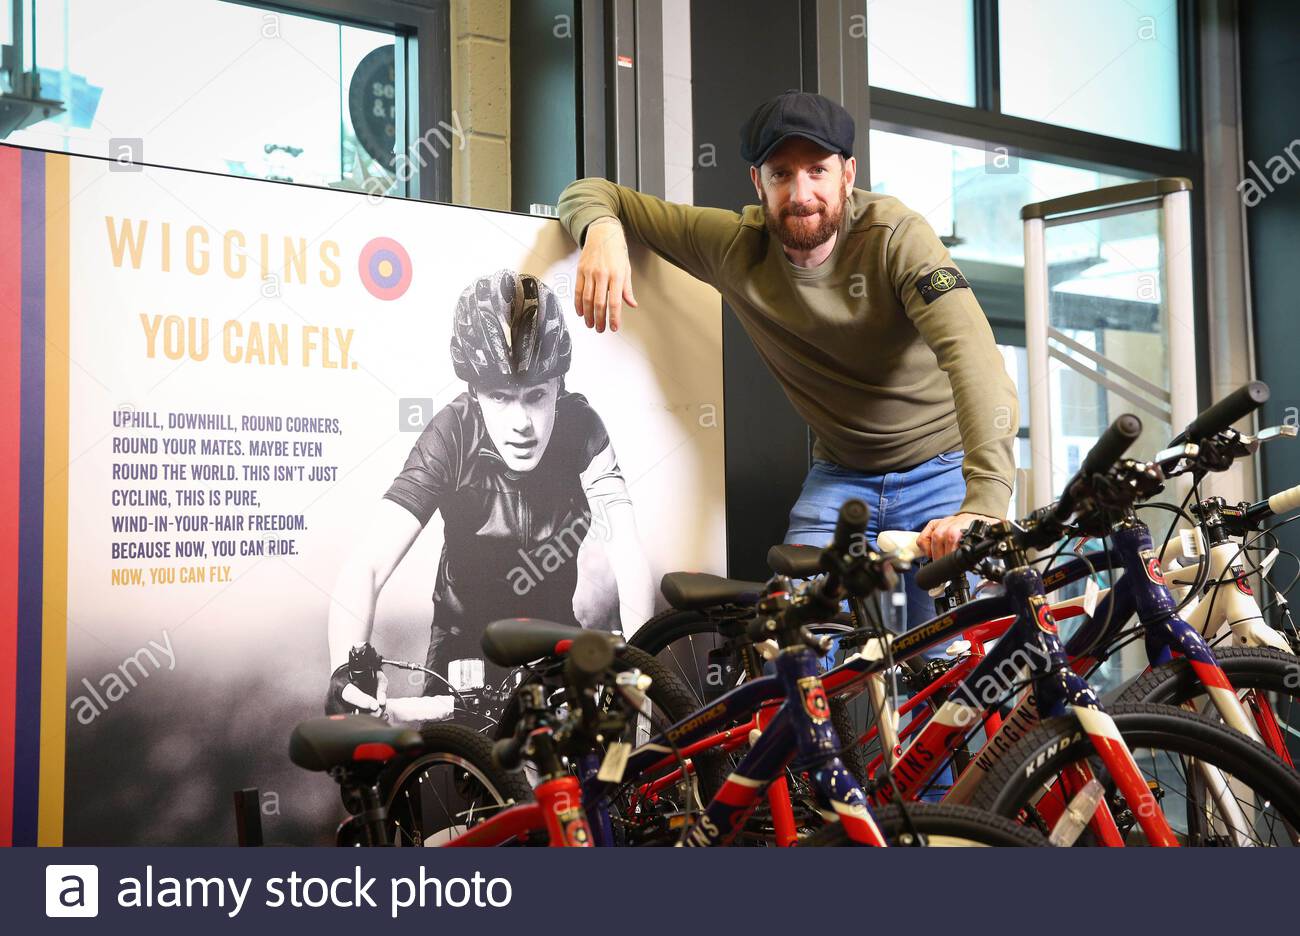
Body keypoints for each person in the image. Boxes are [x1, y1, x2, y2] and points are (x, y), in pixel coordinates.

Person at [556, 90, 1019, 642]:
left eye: (818, 172)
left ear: (847, 175)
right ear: (759, 182)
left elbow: (973, 355)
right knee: (795, 635)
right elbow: (591, 191)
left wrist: (986, 501)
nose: (802, 195)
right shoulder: (735, 246)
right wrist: (602, 231)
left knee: (937, 658)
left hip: (939, 468)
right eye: (782, 174)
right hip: (841, 474)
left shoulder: (897, 237)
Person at [326, 269, 655, 721]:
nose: (522, 422)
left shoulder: (583, 428)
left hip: (552, 638)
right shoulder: (450, 433)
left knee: (591, 773)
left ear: (558, 386)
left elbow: (626, 547)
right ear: (475, 392)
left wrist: (641, 662)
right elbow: (368, 563)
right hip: (463, 647)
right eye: (501, 397)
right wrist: (345, 667)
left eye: (536, 395)